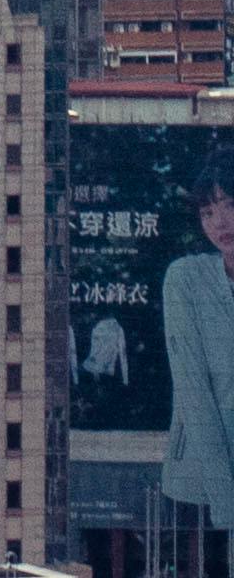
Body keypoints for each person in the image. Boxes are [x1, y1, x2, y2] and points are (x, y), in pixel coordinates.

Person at [168, 154, 234, 551]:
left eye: (230, 206)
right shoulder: (186, 279)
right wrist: (227, 505)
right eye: (208, 212)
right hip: (203, 482)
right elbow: (192, 391)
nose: (220, 222)